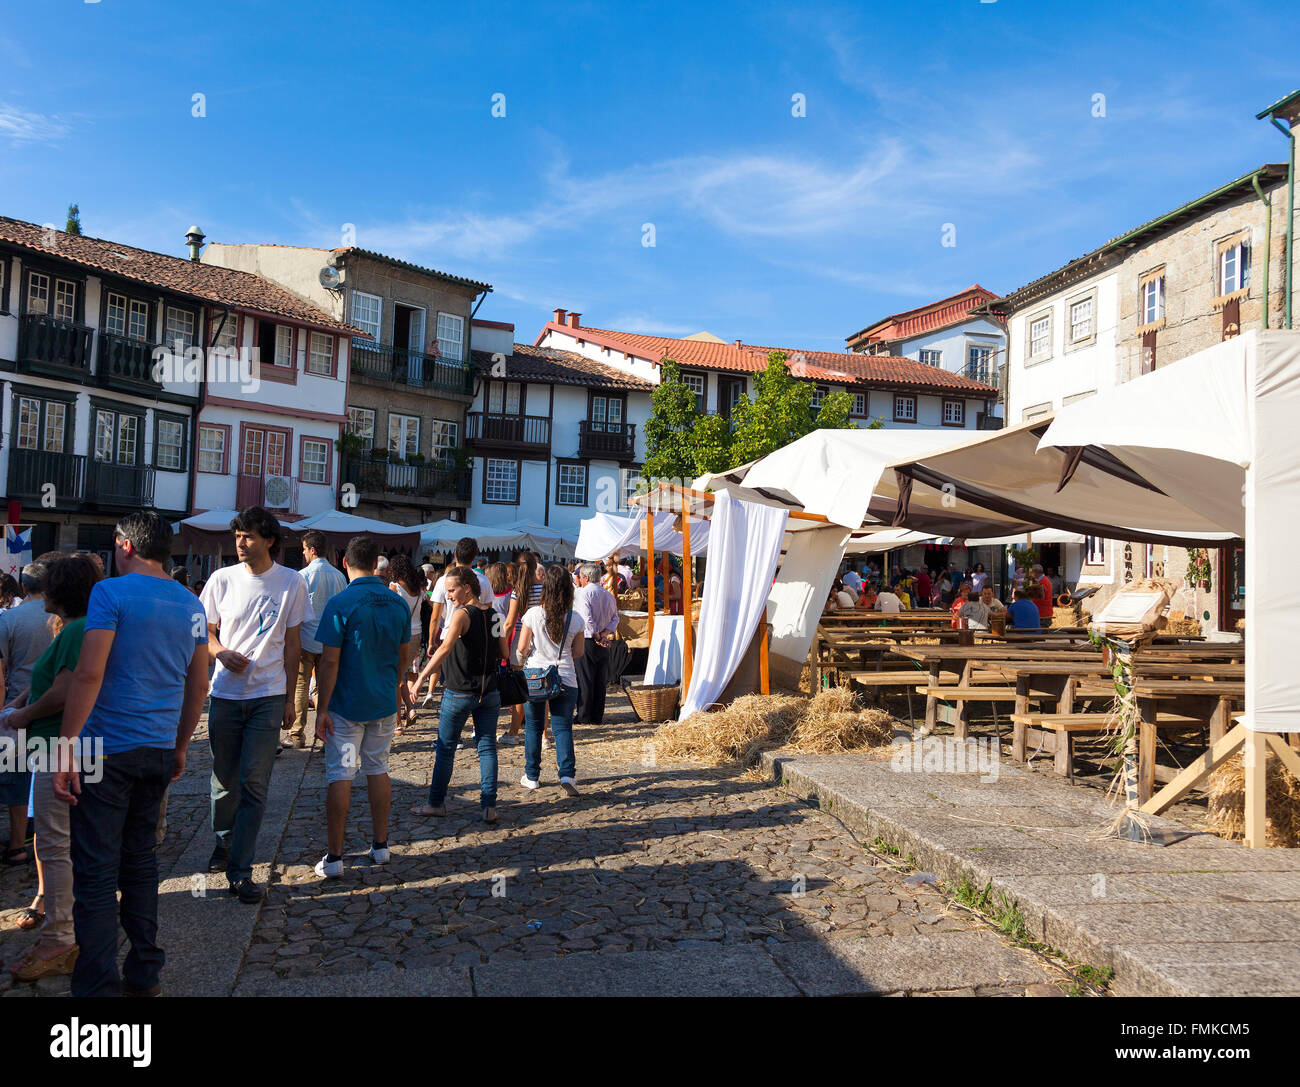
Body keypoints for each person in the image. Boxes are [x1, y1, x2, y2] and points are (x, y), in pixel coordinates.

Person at [53, 511, 209, 997]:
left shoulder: (110, 594)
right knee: (141, 865)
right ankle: (145, 974)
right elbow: (198, 685)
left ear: (124, 545)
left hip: (107, 748)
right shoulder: (191, 603)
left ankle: (98, 987)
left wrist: (66, 745)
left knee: (97, 873)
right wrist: (181, 745)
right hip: (158, 748)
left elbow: (88, 674)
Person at [199, 507, 311, 903]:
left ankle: (241, 870)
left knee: (254, 784)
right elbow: (204, 632)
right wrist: (220, 652)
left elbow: (293, 643)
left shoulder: (291, 582)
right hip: (226, 695)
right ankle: (224, 840)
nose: (240, 543)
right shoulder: (220, 579)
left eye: (247, 536)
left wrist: (289, 698)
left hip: (267, 695)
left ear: (269, 541)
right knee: (222, 781)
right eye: (237, 536)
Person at [3, 553, 99, 982]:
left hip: (59, 748)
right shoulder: (76, 628)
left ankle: (61, 936)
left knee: (55, 843)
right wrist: (22, 703)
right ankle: (72, 924)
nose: (39, 591)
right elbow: (50, 681)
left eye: (47, 585)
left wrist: (22, 717)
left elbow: (63, 692)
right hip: (67, 746)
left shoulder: (78, 629)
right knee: (64, 840)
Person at [312, 536, 414, 879]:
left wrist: (322, 708)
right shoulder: (397, 603)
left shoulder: (340, 603)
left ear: (344, 562)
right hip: (383, 703)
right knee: (377, 768)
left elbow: (329, 661)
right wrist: (396, 683)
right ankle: (381, 845)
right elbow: (405, 655)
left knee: (341, 774)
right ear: (377, 563)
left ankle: (335, 856)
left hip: (345, 707)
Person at [410, 565, 507, 822]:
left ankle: (435, 803)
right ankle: (489, 807)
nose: (449, 595)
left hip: (460, 690)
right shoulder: (495, 615)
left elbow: (444, 649)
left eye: (451, 590)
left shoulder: (462, 615)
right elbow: (505, 653)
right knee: (487, 749)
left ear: (466, 588)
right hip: (490, 691)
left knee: (445, 748)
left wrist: (420, 677)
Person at [0, 558, 56, 867]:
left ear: (23, 587)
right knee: (49, 773)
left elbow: (1, 665)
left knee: (17, 778)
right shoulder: (61, 617)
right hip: (54, 706)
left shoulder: (10, 619)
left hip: (16, 706)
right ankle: (47, 842)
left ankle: (18, 845)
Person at [517, 565, 585, 795]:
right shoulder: (575, 619)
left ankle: (532, 775)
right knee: (562, 727)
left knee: (534, 728)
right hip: (565, 675)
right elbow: (578, 652)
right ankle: (567, 774)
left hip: (536, 675)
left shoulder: (533, 615)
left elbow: (522, 648)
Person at [410, 538, 494, 706]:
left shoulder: (444, 580)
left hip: (449, 634)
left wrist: (432, 640)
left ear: (455, 554)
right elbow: (489, 613)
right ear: (475, 557)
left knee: (452, 681)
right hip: (477, 636)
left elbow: (436, 614)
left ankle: (453, 709)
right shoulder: (483, 581)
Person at [294, 530, 347, 750]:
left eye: (305, 549)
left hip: (306, 638)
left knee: (301, 685)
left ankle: (297, 733)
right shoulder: (339, 576)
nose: (303, 553)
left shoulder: (303, 575)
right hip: (330, 640)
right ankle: (325, 735)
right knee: (328, 689)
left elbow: (295, 609)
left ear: (312, 550)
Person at [573, 562, 618, 726]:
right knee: (600, 679)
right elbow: (615, 618)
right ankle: (596, 715)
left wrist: (598, 634)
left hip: (588, 639)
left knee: (585, 679)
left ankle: (584, 715)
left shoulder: (584, 594)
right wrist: (605, 633)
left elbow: (586, 618)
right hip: (601, 638)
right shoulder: (607, 595)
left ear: (585, 578)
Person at [387, 554, 425, 732]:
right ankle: (410, 709)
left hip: (399, 636)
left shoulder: (394, 587)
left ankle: (396, 723)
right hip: (416, 636)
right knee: (400, 678)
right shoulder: (418, 588)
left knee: (396, 681)